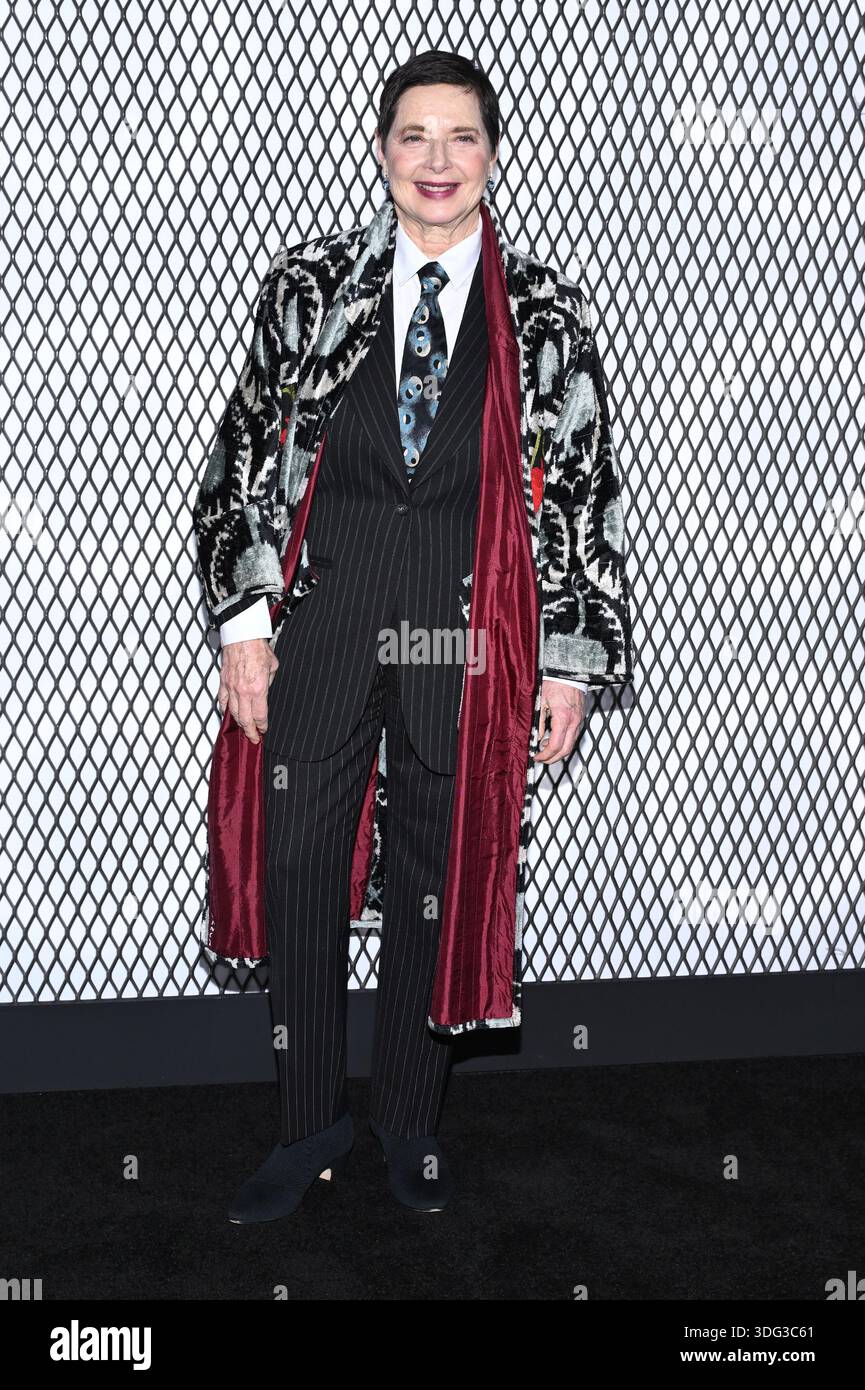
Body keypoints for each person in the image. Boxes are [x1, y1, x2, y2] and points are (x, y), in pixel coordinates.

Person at [192, 49, 634, 1224]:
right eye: (414, 137)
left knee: (437, 871)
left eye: (461, 138)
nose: (436, 162)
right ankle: (305, 1125)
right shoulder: (309, 287)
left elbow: (582, 496)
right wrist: (243, 623)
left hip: (461, 638)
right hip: (327, 620)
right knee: (297, 870)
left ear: (491, 154)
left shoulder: (542, 316)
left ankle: (407, 1124)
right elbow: (237, 462)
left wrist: (566, 663)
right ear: (382, 150)